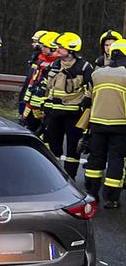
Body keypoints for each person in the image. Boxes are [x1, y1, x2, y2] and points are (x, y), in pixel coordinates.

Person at [44, 31, 94, 178]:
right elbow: (48, 88)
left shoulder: (84, 67)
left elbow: (92, 89)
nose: (57, 49)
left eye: (61, 47)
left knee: (73, 151)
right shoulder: (55, 64)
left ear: (71, 49)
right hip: (55, 113)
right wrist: (46, 104)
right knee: (53, 148)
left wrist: (85, 102)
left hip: (74, 114)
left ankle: (70, 179)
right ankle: (53, 178)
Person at [84, 38, 126, 208]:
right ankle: (111, 198)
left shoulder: (97, 73)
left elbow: (87, 100)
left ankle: (91, 193)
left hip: (96, 123)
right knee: (116, 159)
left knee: (95, 158)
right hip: (120, 124)